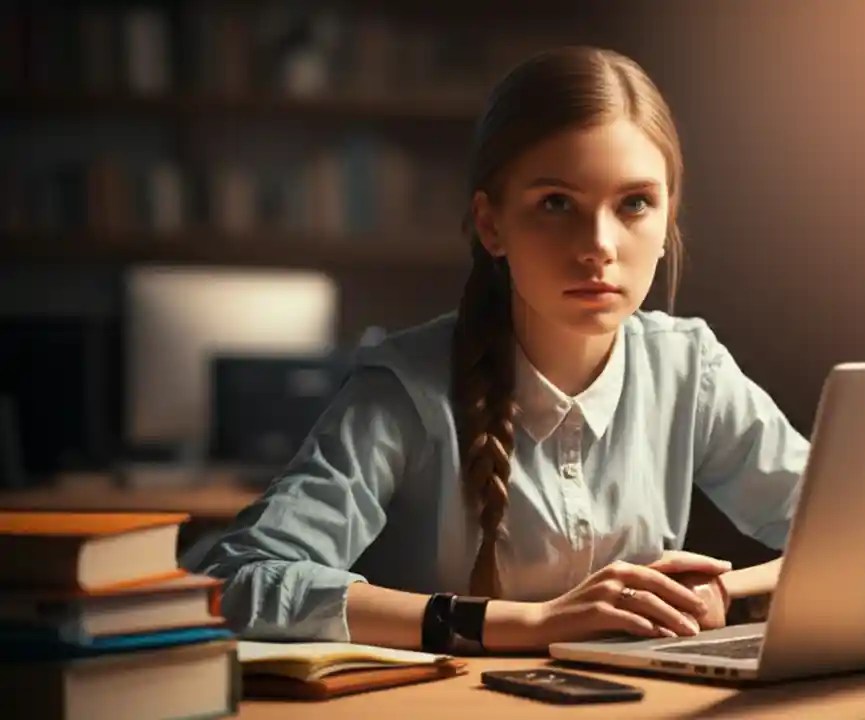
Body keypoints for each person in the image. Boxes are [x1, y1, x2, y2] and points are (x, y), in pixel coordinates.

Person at [194, 46, 809, 654]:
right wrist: (525, 624)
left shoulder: (688, 369)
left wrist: (727, 594)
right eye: (556, 203)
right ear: (492, 225)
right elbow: (235, 579)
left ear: (667, 216)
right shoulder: (406, 389)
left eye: (634, 204)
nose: (598, 245)